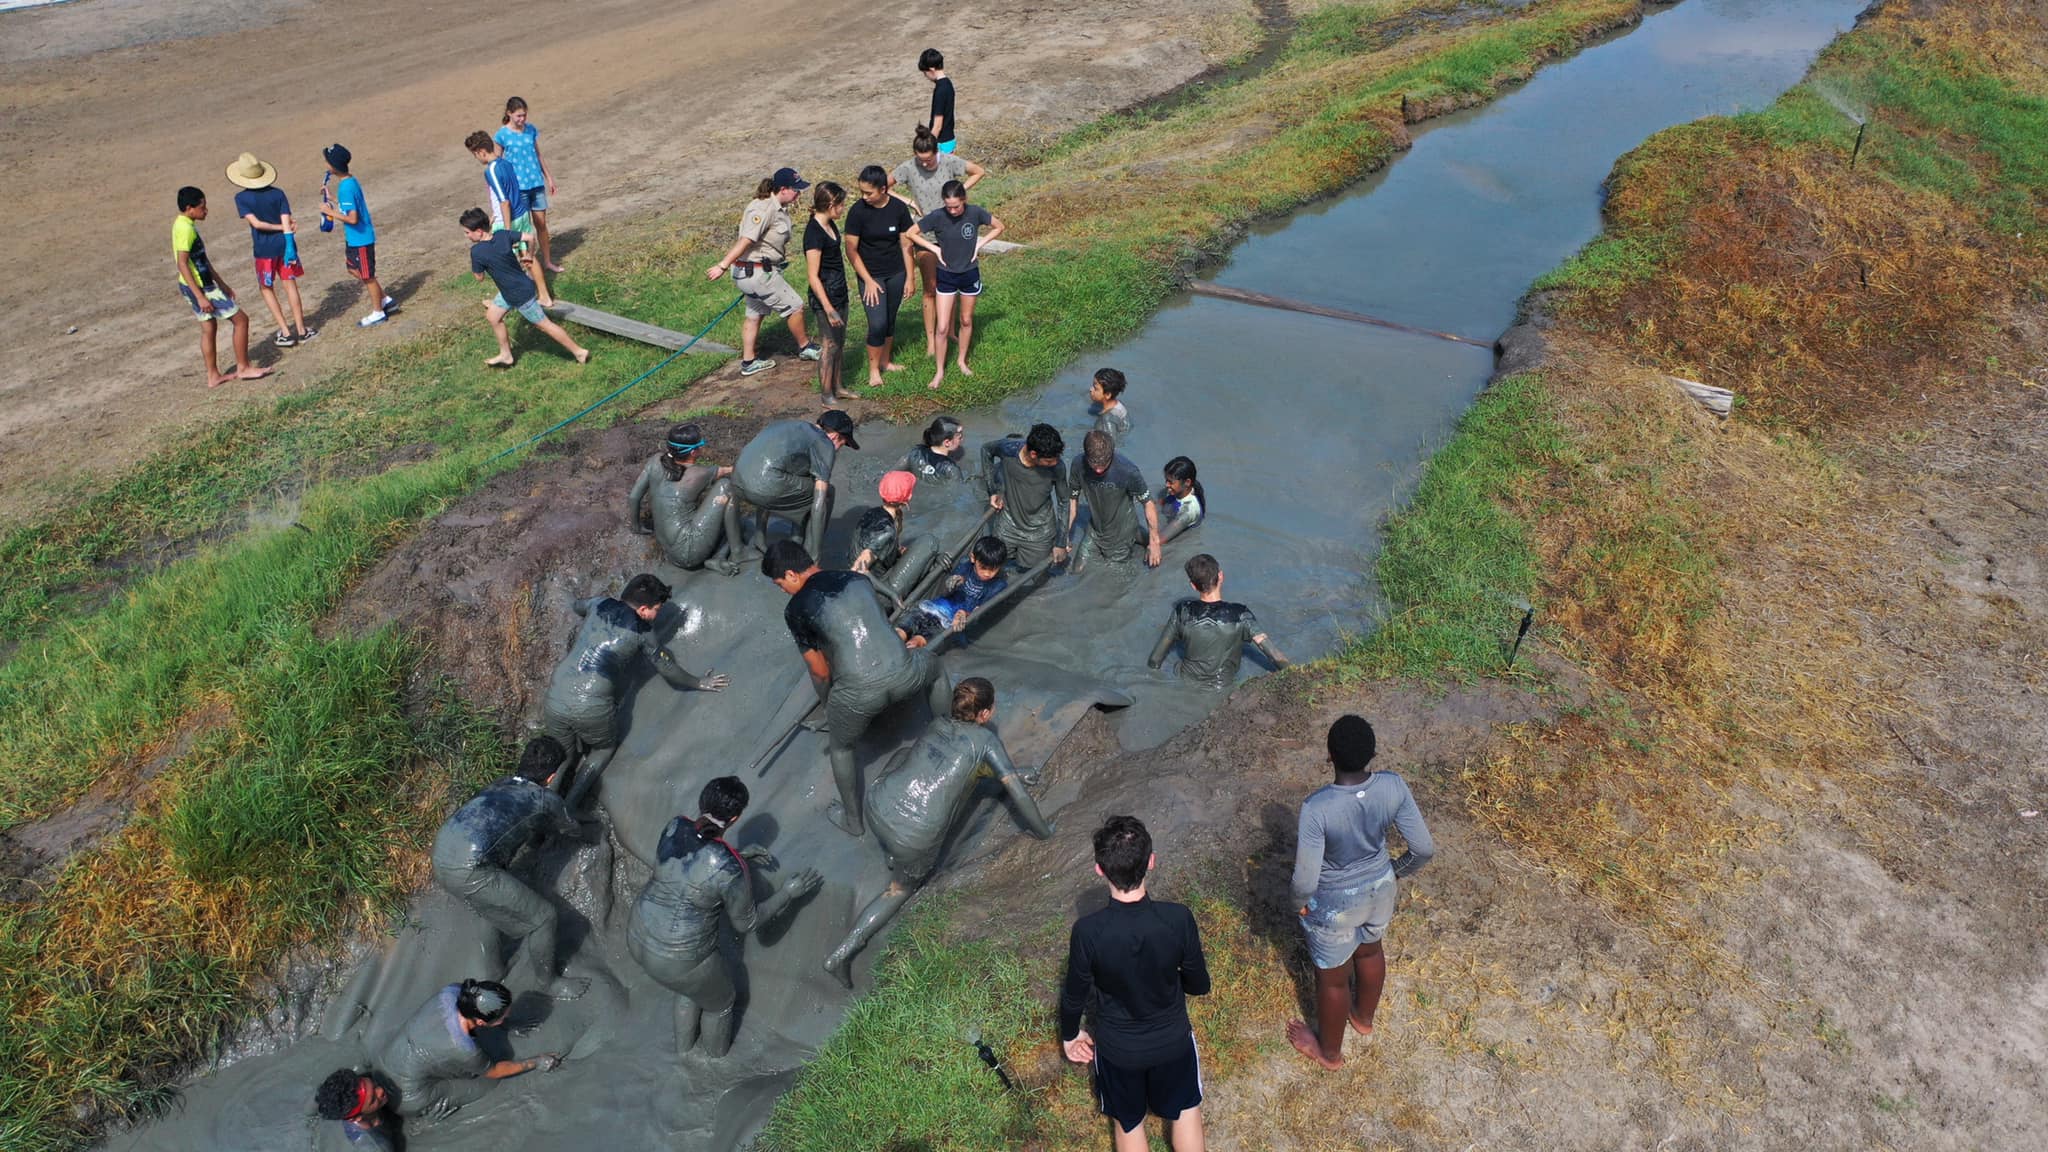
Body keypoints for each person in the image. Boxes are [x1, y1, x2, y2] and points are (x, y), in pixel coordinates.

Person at [823, 677, 1052, 983]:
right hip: (913, 839)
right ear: (984, 714)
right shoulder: (986, 743)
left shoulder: (938, 724)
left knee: (905, 757)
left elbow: (951, 767)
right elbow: (1018, 797)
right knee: (898, 890)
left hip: (877, 806)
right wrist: (1044, 831)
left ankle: (892, 853)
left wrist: (1012, 773)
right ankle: (843, 953)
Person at [628, 776, 822, 1058]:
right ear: (735, 817)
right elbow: (748, 922)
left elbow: (688, 866)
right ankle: (711, 1064)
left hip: (638, 935)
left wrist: (737, 855)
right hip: (678, 957)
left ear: (701, 802)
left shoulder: (674, 825)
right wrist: (788, 893)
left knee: (691, 989)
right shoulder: (730, 867)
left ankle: (682, 1054)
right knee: (720, 1003)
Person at [762, 540, 946, 838]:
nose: (783, 591)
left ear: (792, 574)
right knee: (935, 668)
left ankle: (853, 821)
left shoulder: (795, 610)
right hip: (904, 674)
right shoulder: (858, 579)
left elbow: (820, 671)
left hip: (860, 696)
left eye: (780, 584)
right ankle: (946, 732)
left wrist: (828, 705)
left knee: (841, 747)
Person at [1286, 715, 1435, 1070]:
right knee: (1370, 953)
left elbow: (1305, 881)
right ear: (1373, 754)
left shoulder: (1317, 808)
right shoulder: (1393, 786)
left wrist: (1299, 906)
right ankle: (1363, 1018)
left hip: (1335, 905)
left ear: (1329, 756)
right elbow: (1423, 848)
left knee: (1333, 979)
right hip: (1381, 888)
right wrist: (1396, 872)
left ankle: (1330, 1053)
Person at [1059, 816, 1210, 1152]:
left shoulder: (1088, 932)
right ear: (1152, 862)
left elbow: (1074, 994)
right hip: (1173, 1042)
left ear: (1100, 870)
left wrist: (1071, 1035)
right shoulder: (1177, 918)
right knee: (1186, 1111)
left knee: (1128, 1123)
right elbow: (1199, 985)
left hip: (1118, 1050)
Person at [540, 574, 729, 808]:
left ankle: (544, 809)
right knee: (603, 749)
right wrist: (699, 682)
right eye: (657, 609)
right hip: (591, 705)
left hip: (556, 694)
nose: (657, 615)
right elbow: (667, 668)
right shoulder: (642, 632)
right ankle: (569, 807)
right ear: (642, 609)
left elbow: (578, 606)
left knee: (563, 756)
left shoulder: (599, 603)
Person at [431, 736, 589, 1001]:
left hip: (442, 855)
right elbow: (570, 828)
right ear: (551, 778)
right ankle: (548, 982)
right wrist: (583, 825)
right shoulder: (542, 799)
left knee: (489, 908)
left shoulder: (501, 783)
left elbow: (519, 823)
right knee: (544, 917)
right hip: (471, 871)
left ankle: (494, 969)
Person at [379, 978, 561, 1119]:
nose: (507, 1017)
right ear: (481, 1021)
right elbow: (495, 1071)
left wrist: (506, 1023)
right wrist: (536, 1062)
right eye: (503, 1018)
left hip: (388, 1061)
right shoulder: (464, 1048)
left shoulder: (453, 991)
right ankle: (425, 1120)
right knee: (486, 1085)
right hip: (408, 1097)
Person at [705, 168, 820, 377]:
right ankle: (806, 348)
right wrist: (722, 265)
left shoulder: (775, 206)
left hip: (749, 274)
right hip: (758, 274)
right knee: (795, 307)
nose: (799, 194)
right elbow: (746, 240)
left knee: (754, 314)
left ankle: (748, 362)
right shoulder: (765, 210)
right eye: (796, 190)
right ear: (783, 189)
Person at [890, 126, 986, 352]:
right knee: (931, 286)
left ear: (936, 153)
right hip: (926, 234)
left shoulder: (949, 162)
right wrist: (909, 202)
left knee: (951, 281)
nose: (925, 165)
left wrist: (959, 193)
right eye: (920, 160)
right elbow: (883, 187)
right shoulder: (907, 167)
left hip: (951, 230)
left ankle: (950, 331)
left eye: (929, 160)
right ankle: (932, 341)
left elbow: (979, 171)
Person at [907, 180, 1004, 389]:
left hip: (969, 273)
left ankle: (961, 361)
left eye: (956, 206)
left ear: (964, 201)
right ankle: (939, 371)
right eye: (949, 206)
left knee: (966, 320)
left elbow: (999, 226)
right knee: (942, 327)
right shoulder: (937, 216)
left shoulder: (975, 212)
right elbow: (911, 233)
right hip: (946, 275)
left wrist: (980, 244)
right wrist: (934, 250)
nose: (952, 210)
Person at [462, 208, 588, 367]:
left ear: (479, 231)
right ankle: (506, 355)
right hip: (512, 289)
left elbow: (479, 278)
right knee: (493, 317)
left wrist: (477, 265)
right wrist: (528, 255)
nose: (466, 236)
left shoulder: (477, 252)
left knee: (545, 325)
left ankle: (579, 351)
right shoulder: (503, 234)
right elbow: (529, 237)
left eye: (467, 232)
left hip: (519, 295)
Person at [725, 410, 859, 560]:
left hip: (736, 480)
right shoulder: (825, 443)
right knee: (827, 494)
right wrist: (816, 557)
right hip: (764, 486)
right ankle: (809, 554)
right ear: (836, 436)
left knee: (782, 476)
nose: (840, 449)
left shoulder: (789, 425)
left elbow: (763, 466)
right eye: (843, 443)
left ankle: (759, 540)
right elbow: (820, 501)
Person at [171, 187, 271, 388]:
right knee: (241, 320)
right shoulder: (186, 230)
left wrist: (222, 283)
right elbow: (182, 264)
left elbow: (201, 259)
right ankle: (243, 368)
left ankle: (213, 376)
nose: (205, 210)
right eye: (202, 207)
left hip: (191, 286)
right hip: (202, 287)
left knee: (208, 328)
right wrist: (201, 296)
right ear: (189, 208)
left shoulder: (181, 224)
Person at [1147, 554, 1288, 688]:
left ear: (1193, 585)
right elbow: (1272, 653)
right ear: (1221, 576)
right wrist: (1295, 673)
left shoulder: (1182, 610)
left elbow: (1155, 659)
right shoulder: (1240, 614)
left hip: (1186, 681)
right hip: (1223, 684)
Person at [225, 152, 315, 348]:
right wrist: (285, 231)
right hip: (284, 246)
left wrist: (278, 228)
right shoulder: (278, 193)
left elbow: (256, 224)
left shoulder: (241, 198)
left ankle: (285, 331)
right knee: (289, 284)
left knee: (266, 288)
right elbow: (286, 220)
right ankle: (301, 329)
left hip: (263, 250)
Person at [626, 421, 740, 573]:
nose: (703, 446)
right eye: (701, 443)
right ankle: (736, 552)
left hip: (669, 551)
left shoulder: (655, 461)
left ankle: (718, 556)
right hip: (689, 553)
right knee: (726, 487)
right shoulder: (699, 473)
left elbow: (634, 497)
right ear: (693, 452)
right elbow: (729, 471)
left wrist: (637, 526)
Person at [843, 166, 915, 389]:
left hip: (896, 272)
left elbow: (906, 244)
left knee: (890, 319)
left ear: (883, 189)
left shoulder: (898, 208)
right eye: (861, 192)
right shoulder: (857, 212)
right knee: (877, 323)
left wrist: (911, 277)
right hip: (870, 275)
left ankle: (886, 361)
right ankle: (873, 370)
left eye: (869, 193)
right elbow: (851, 250)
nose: (864, 197)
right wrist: (868, 280)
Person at [466, 129, 548, 305]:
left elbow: (504, 201)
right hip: (522, 213)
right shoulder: (506, 163)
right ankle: (543, 295)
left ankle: (505, 301)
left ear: (481, 152)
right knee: (527, 256)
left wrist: (507, 230)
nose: (477, 159)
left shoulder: (491, 171)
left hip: (509, 219)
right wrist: (495, 215)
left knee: (500, 261)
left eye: (475, 155)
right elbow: (510, 193)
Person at [317, 144, 394, 328]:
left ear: (333, 166)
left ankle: (378, 312)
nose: (325, 164)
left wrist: (329, 212)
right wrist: (332, 199)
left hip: (361, 239)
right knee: (352, 268)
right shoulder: (349, 182)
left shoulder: (347, 188)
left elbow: (352, 218)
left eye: (327, 161)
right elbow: (348, 205)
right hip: (354, 239)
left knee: (368, 277)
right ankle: (384, 299)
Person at [981, 423, 1072, 569]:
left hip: (1040, 532)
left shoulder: (1057, 467)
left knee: (1033, 573)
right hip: (1008, 524)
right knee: (994, 566)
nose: (1055, 463)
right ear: (1033, 454)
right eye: (1049, 461)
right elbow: (986, 451)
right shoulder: (1008, 449)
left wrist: (1060, 543)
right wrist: (992, 491)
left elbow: (1064, 502)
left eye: (1057, 458)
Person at [1069, 430, 1162, 572]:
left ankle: (1139, 537)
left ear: (1112, 454)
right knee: (1076, 571)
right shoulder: (1078, 465)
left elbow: (1148, 503)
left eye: (1104, 465)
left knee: (1112, 578)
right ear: (1086, 457)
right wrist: (1065, 535)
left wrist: (1154, 541)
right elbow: (1072, 500)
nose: (1099, 470)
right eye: (1094, 465)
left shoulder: (1127, 471)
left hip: (1122, 531)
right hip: (1095, 529)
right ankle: (1140, 536)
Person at [851, 470, 941, 603]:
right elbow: (858, 569)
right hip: (875, 597)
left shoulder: (872, 513)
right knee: (929, 542)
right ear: (908, 498)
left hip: (865, 587)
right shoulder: (886, 532)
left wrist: (896, 552)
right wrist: (891, 593)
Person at [496, 97, 561, 273]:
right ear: (509, 114)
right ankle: (526, 266)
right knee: (523, 229)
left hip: (536, 184)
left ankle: (547, 261)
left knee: (541, 224)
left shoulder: (530, 130)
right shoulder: (502, 135)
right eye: (518, 116)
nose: (522, 119)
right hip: (519, 189)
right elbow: (497, 164)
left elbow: (538, 155)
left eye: (524, 115)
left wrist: (548, 177)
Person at [902, 536, 1008, 643]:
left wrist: (965, 613)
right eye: (983, 567)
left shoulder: (998, 585)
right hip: (933, 607)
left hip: (950, 623)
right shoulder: (965, 564)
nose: (987, 573)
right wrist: (955, 580)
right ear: (973, 558)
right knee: (903, 630)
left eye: (993, 569)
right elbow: (955, 578)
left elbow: (980, 610)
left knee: (919, 641)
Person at [802, 181, 853, 401]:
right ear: (831, 204)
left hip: (839, 291)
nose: (843, 208)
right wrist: (829, 308)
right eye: (841, 204)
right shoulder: (813, 233)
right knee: (828, 344)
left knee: (839, 343)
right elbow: (813, 276)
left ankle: (838, 387)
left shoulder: (830, 225)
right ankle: (826, 394)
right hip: (825, 298)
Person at [313, 1068, 395, 1150]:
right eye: (373, 1099)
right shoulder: (372, 1144)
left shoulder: (359, 1084)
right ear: (357, 1118)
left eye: (374, 1085)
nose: (381, 1090)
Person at [1156, 457, 1205, 546]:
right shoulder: (1174, 490)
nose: (1166, 485)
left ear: (1187, 482)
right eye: (1166, 480)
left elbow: (1158, 541)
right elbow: (1157, 505)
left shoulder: (1188, 511)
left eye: (1170, 482)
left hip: (1180, 543)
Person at [900, 415, 967, 480]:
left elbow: (891, 474)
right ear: (947, 443)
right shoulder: (951, 469)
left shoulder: (914, 453)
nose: (962, 439)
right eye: (960, 437)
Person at [919, 48, 958, 153]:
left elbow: (938, 125)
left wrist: (928, 146)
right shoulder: (948, 83)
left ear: (931, 69)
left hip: (942, 143)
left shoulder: (940, 91)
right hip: (949, 139)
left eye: (925, 73)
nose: (926, 76)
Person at [1091, 368, 1132, 441]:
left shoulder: (1106, 419)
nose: (1091, 389)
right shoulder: (1117, 404)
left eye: (1095, 388)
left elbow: (1110, 444)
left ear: (1107, 394)